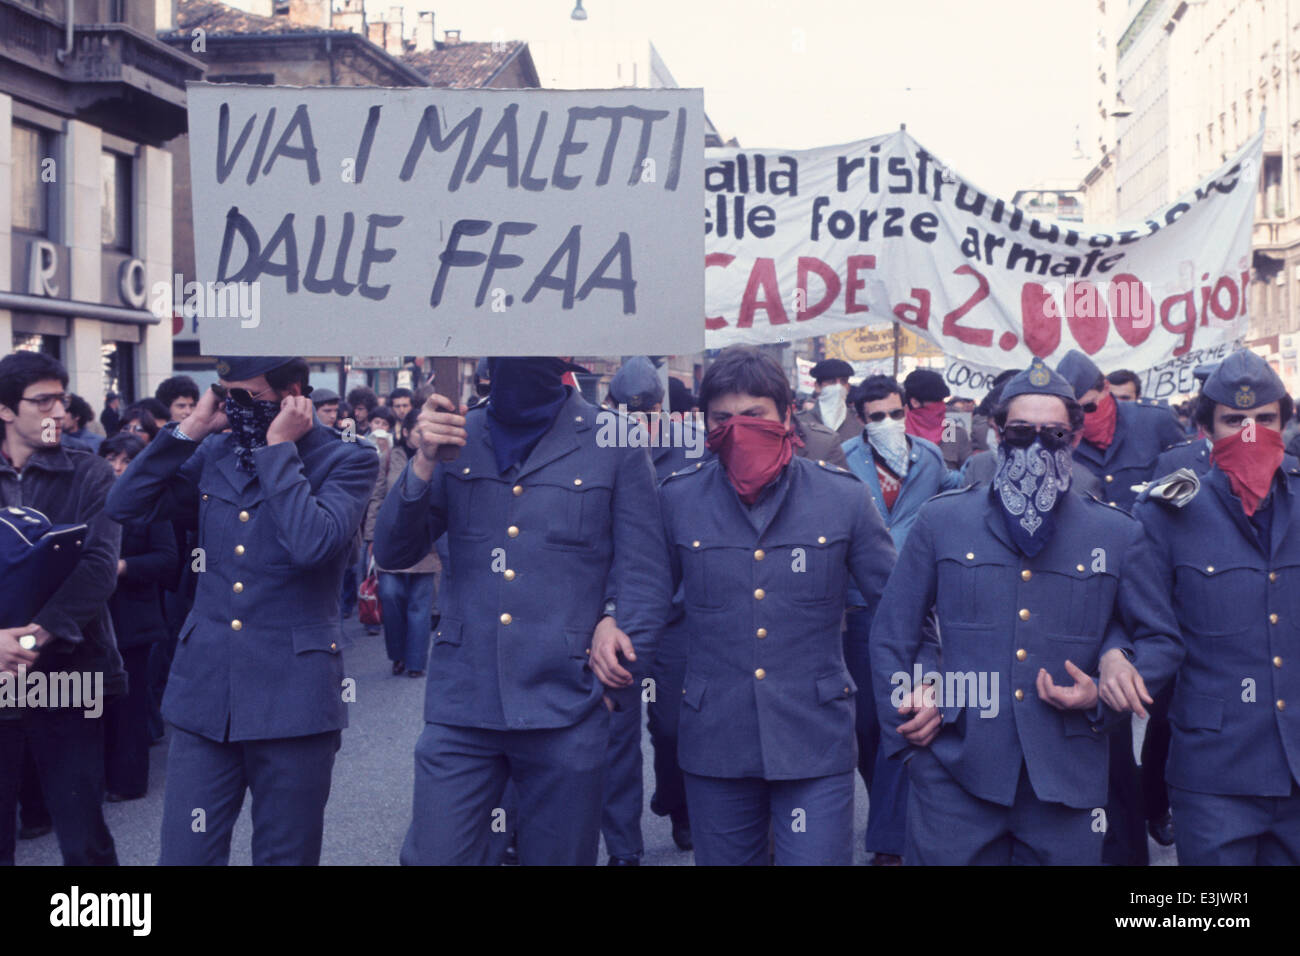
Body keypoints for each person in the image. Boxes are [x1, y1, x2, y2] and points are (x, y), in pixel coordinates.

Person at [870, 357, 1182, 865]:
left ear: (1075, 440)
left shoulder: (1116, 533)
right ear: (995, 433)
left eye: (1054, 434)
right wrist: (907, 709)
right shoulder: (944, 520)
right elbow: (893, 634)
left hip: (1066, 778)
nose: (1037, 446)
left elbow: (1160, 638)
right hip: (956, 772)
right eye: (1020, 432)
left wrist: (1110, 682)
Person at [373, 357, 671, 866]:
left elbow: (644, 571)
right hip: (463, 702)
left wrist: (614, 642)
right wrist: (423, 461)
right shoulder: (457, 434)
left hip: (567, 703)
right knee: (435, 855)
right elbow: (394, 551)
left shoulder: (613, 439)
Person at [105, 356, 378, 865]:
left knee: (284, 855)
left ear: (293, 392)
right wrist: (188, 429)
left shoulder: (347, 456)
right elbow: (124, 505)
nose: (236, 407)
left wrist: (278, 448)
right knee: (186, 855)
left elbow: (313, 545)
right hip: (207, 690)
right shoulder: (217, 450)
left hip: (294, 695)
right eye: (225, 393)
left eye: (247, 396)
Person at [656, 346, 896, 865]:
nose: (738, 429)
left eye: (755, 415)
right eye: (723, 418)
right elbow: (645, 599)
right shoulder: (677, 499)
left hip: (815, 737)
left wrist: (925, 676)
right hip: (715, 739)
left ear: (788, 415)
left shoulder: (843, 499)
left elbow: (896, 605)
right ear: (705, 425)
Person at [1136, 351, 1300, 865]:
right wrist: (1115, 670)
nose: (1251, 434)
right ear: (1205, 427)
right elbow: (1147, 627)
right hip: (1214, 772)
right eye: (1235, 420)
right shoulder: (1168, 512)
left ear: (1286, 423)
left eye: (1264, 420)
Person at [1056, 349, 1185, 865]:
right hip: (1090, 592)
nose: (1081, 420)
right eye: (1073, 412)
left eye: (1089, 406)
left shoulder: (1154, 424)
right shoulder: (1058, 436)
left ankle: (1158, 804)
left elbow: (1189, 491)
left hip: (1158, 589)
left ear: (1106, 391)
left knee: (1164, 713)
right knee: (1100, 723)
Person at [0, 351, 123, 866]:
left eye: (62, 399)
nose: (57, 411)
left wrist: (32, 637)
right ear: (6, 409)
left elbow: (98, 567)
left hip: (70, 668)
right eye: (42, 400)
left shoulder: (90, 473)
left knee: (83, 832)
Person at [841, 374, 962, 863]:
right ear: (860, 419)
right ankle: (885, 813)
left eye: (895, 413)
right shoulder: (840, 461)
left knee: (903, 713)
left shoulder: (928, 458)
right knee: (867, 727)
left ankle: (890, 840)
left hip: (915, 607)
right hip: (856, 609)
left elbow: (951, 501)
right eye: (877, 417)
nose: (889, 423)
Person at [99, 433, 178, 802]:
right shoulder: (89, 500)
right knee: (93, 702)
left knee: (130, 703)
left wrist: (123, 566)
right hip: (93, 618)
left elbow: (167, 559)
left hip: (135, 614)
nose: (117, 469)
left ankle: (129, 781)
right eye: (111, 460)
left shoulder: (151, 506)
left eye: (125, 462)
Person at [364, 408, 440, 679]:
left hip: (426, 542)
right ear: (406, 432)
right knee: (391, 596)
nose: (424, 436)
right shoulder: (389, 458)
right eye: (419, 430)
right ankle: (397, 654)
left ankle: (416, 662)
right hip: (392, 540)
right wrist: (371, 537)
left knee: (420, 604)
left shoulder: (442, 460)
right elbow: (377, 498)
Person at [903, 369, 970, 470]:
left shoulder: (952, 432)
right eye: (935, 401)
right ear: (915, 402)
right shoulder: (899, 433)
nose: (941, 406)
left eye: (941, 400)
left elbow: (967, 475)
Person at [796, 358, 860, 447]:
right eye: (831, 382)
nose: (838, 387)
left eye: (843, 382)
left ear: (848, 387)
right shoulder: (800, 421)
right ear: (817, 386)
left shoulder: (859, 421)